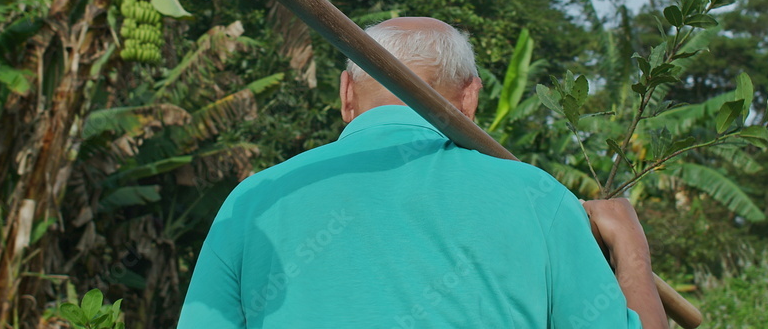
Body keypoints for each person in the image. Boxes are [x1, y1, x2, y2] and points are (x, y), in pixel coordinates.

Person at [177, 17, 667, 329]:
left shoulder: (255, 199)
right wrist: (632, 249)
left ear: (346, 94)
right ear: (470, 98)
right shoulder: (540, 197)